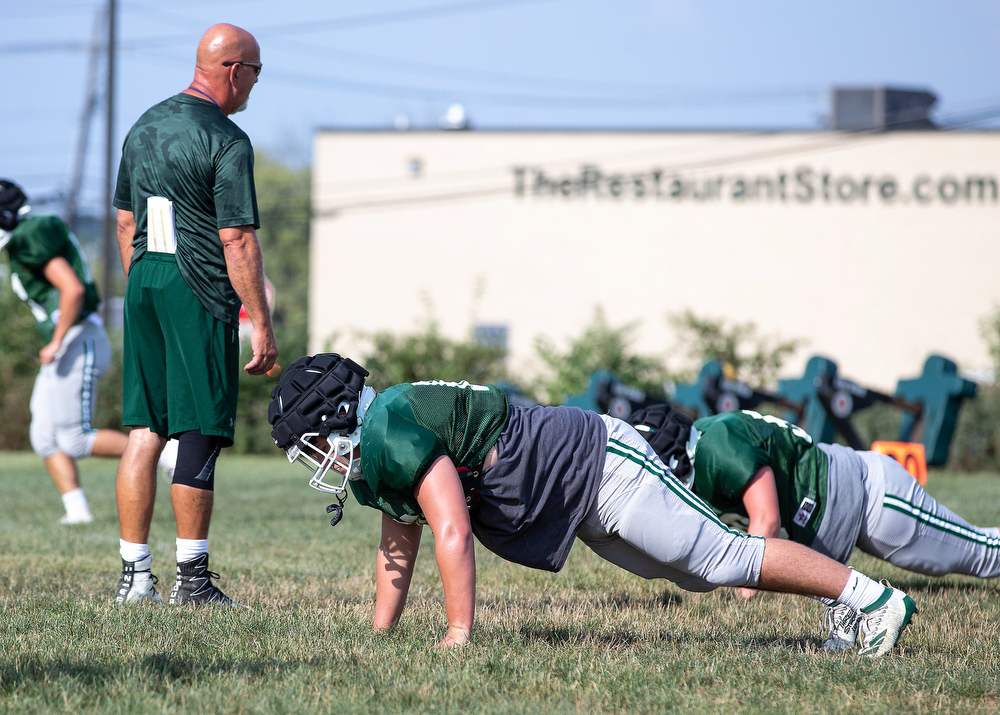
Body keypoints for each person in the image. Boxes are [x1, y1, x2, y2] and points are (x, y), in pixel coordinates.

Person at [267, 353, 917, 657]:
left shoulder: (389, 427)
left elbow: (453, 530)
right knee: (693, 571)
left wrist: (459, 631)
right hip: (576, 488)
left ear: (334, 417)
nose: (315, 456)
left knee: (721, 555)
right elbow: (397, 543)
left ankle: (872, 599)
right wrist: (380, 637)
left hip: (598, 462)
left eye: (311, 441)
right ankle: (852, 603)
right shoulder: (378, 444)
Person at [111, 23, 277, 607]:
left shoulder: (145, 124)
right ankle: (193, 581)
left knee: (145, 429)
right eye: (256, 72)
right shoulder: (226, 140)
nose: (255, 85)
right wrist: (260, 322)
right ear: (233, 70)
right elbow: (236, 240)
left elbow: (125, 223)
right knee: (199, 431)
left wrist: (145, 288)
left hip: (144, 279)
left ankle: (134, 578)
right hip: (197, 286)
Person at [628, 403, 998, 651]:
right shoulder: (705, 443)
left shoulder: (718, 447)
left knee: (983, 555)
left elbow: (767, 518)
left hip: (871, 500)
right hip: (834, 521)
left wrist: (744, 586)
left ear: (673, 455)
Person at [0, 180, 175, 524]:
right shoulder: (23, 240)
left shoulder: (33, 235)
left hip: (79, 338)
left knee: (74, 439)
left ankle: (166, 453)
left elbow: (72, 289)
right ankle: (77, 511)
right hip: (68, 342)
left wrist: (56, 340)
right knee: (44, 437)